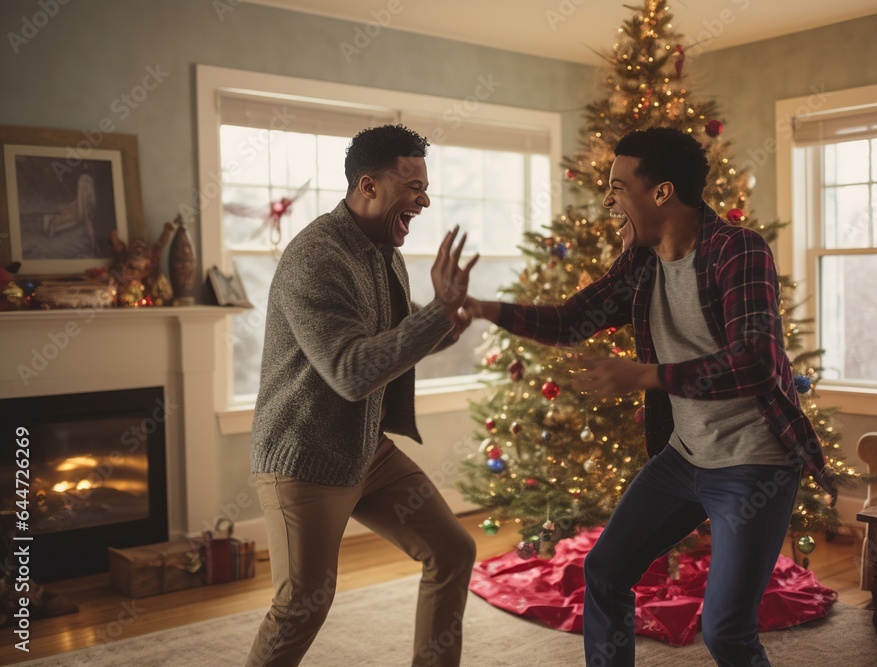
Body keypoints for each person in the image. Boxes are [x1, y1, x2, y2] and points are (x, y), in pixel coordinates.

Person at [463, 127, 837, 667]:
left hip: (755, 463)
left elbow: (753, 362)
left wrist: (646, 376)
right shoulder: (642, 260)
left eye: (617, 186)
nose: (608, 199)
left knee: (726, 632)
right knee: (606, 570)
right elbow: (573, 319)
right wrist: (483, 308)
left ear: (660, 192)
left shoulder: (738, 250)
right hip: (686, 457)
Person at [247, 124, 479, 667]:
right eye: (413, 186)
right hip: (304, 455)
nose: (423, 200)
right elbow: (350, 371)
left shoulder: (384, 251)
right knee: (304, 601)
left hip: (364, 449)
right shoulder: (316, 256)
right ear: (368, 185)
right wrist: (437, 314)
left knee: (451, 550)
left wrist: (443, 325)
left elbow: (386, 349)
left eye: (426, 188)